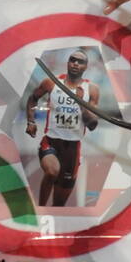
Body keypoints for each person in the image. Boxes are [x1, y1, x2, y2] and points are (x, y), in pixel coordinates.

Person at [25, 49, 99, 207]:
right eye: (73, 60)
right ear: (67, 63)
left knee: (59, 204)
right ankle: (41, 209)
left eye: (80, 62)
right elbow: (32, 99)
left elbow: (92, 125)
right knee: (52, 172)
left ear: (86, 67)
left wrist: (81, 103)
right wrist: (30, 122)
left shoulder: (91, 90)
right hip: (51, 142)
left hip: (72, 148)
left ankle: (52, 215)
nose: (75, 64)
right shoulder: (51, 83)